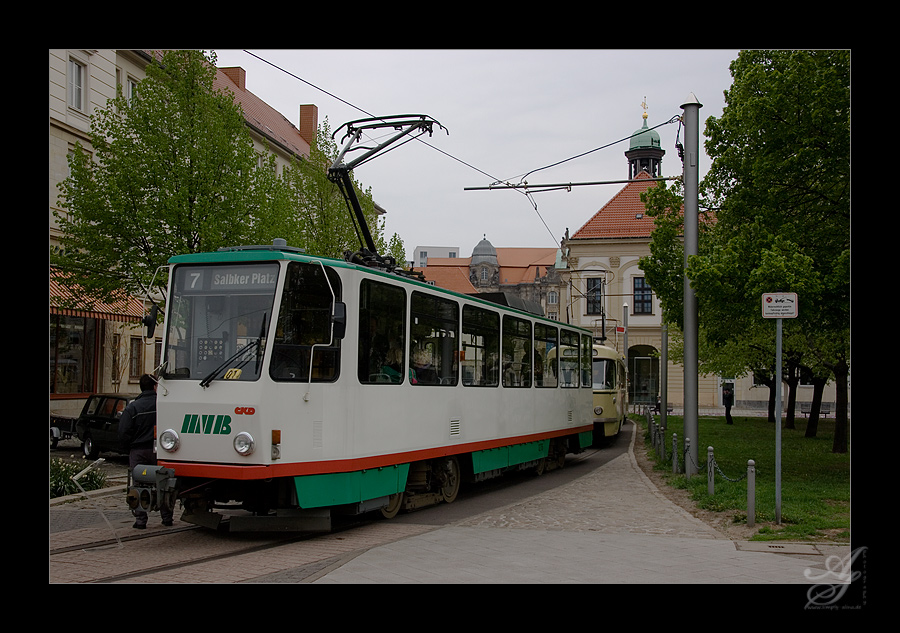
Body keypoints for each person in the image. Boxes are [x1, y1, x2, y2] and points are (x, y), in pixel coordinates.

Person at [118, 374, 173, 529]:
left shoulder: (133, 407)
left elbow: (123, 432)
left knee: (138, 485)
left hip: (138, 451)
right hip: (159, 451)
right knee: (163, 483)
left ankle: (141, 520)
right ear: (155, 386)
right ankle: (167, 517)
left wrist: (126, 448)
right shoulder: (162, 405)